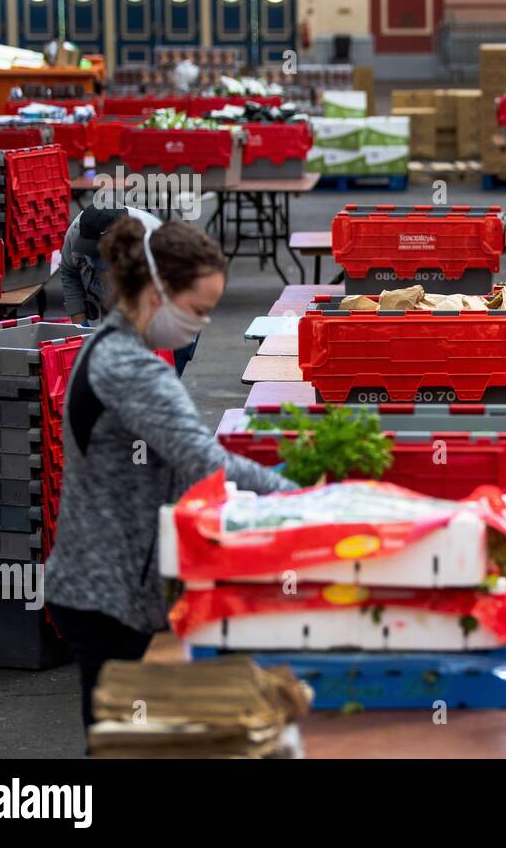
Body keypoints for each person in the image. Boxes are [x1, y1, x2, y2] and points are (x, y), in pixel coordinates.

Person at [45, 218, 299, 733]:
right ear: (157, 291)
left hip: (111, 580)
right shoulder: (129, 368)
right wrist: (303, 498)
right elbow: (208, 462)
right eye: (198, 310)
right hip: (108, 592)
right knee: (123, 740)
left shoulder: (115, 346)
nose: (204, 324)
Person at [60, 201, 200, 375]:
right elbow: (69, 272)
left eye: (100, 252)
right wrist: (80, 329)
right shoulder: (79, 231)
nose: (94, 258)